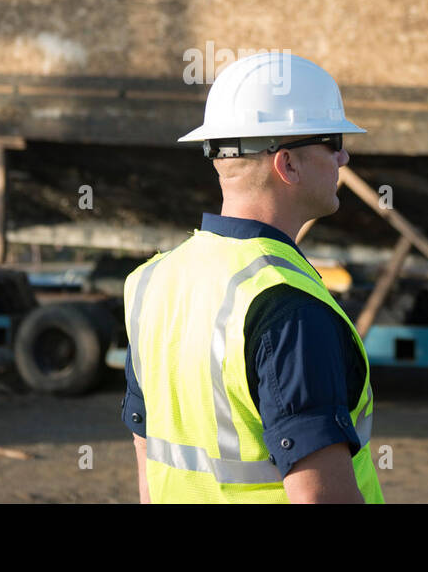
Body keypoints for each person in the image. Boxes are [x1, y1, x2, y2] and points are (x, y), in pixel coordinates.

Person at [122, 51, 384, 503]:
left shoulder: (151, 282)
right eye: (333, 139)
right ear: (288, 165)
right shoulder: (287, 307)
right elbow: (319, 496)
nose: (343, 156)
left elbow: (148, 455)